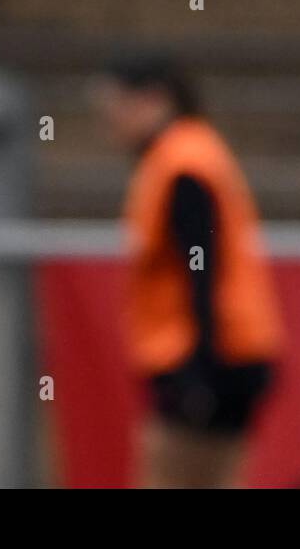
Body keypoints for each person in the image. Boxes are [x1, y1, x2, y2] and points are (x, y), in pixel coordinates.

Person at [92, 53, 285, 488]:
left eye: (118, 109)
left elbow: (202, 269)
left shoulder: (182, 166)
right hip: (221, 354)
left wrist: (199, 374)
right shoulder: (189, 153)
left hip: (207, 359)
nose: (112, 125)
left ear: (154, 100)